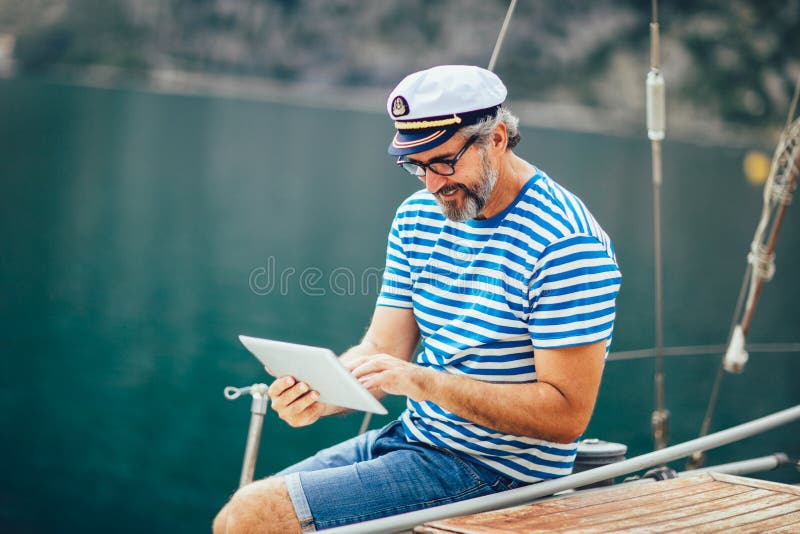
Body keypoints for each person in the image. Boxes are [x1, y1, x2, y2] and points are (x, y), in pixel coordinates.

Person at [213, 65, 621, 533]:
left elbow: (567, 414)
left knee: (256, 516)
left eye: (444, 161)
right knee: (234, 518)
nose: (431, 184)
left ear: (498, 138)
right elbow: (383, 352)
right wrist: (324, 394)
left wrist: (425, 383)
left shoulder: (566, 244)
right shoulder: (418, 216)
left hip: (501, 473)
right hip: (415, 440)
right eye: (416, 165)